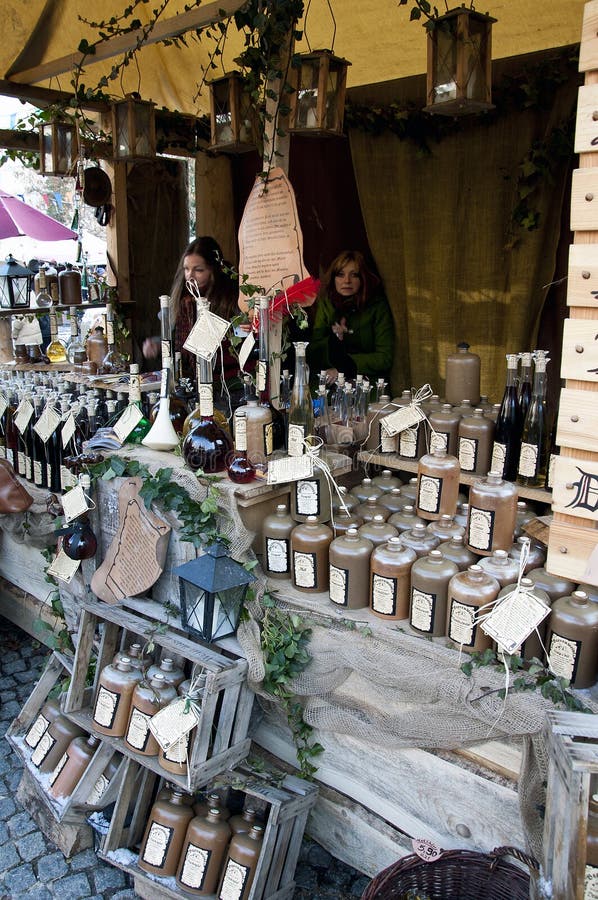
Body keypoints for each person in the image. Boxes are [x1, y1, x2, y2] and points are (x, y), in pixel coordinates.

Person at [143, 236, 248, 406]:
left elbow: (241, 337)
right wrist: (156, 343)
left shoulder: (231, 300)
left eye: (198, 270)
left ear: (213, 270)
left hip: (230, 386)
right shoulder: (181, 302)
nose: (189, 275)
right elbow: (174, 339)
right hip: (192, 385)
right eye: (186, 269)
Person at [307, 250, 394, 386]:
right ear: (333, 278)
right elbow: (313, 353)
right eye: (340, 275)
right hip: (330, 380)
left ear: (363, 278)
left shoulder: (377, 307)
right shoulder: (326, 304)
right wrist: (334, 339)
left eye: (354, 275)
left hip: (367, 381)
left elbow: (384, 357)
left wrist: (345, 367)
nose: (347, 281)